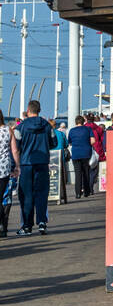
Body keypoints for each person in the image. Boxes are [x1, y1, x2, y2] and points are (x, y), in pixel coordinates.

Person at [11, 100, 57, 235]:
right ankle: (42, 222)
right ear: (39, 110)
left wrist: (15, 165)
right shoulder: (47, 126)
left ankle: (27, 226)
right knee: (42, 193)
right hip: (42, 163)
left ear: (28, 110)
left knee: (26, 195)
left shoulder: (21, 127)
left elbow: (16, 146)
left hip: (26, 163)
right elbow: (54, 142)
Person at [67, 116, 95, 199]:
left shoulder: (72, 131)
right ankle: (86, 192)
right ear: (83, 122)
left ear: (76, 122)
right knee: (86, 172)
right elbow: (93, 141)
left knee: (77, 173)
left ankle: (78, 193)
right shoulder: (88, 129)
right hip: (86, 153)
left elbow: (70, 142)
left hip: (76, 154)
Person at [49, 119, 69, 204]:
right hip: (60, 158)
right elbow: (66, 144)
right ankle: (61, 195)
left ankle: (50, 195)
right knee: (61, 178)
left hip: (49, 159)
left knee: (50, 178)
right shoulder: (61, 133)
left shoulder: (47, 134)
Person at [0, 111, 12, 236]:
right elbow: (14, 149)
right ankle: (3, 225)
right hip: (4, 168)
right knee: (4, 196)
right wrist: (17, 166)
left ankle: (2, 225)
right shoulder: (8, 130)